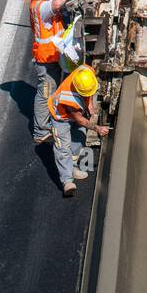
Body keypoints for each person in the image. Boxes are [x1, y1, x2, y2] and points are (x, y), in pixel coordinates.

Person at [23, 0, 79, 147]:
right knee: (45, 92)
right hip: (46, 60)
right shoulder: (41, 6)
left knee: (50, 90)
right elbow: (56, 4)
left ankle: (49, 120)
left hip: (51, 56)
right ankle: (40, 131)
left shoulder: (38, 3)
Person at [47, 65, 108, 197]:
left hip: (76, 112)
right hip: (61, 118)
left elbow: (89, 91)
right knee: (63, 147)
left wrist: (89, 103)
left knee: (79, 137)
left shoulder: (86, 72)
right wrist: (97, 128)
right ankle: (67, 182)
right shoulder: (68, 97)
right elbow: (79, 120)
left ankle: (73, 166)